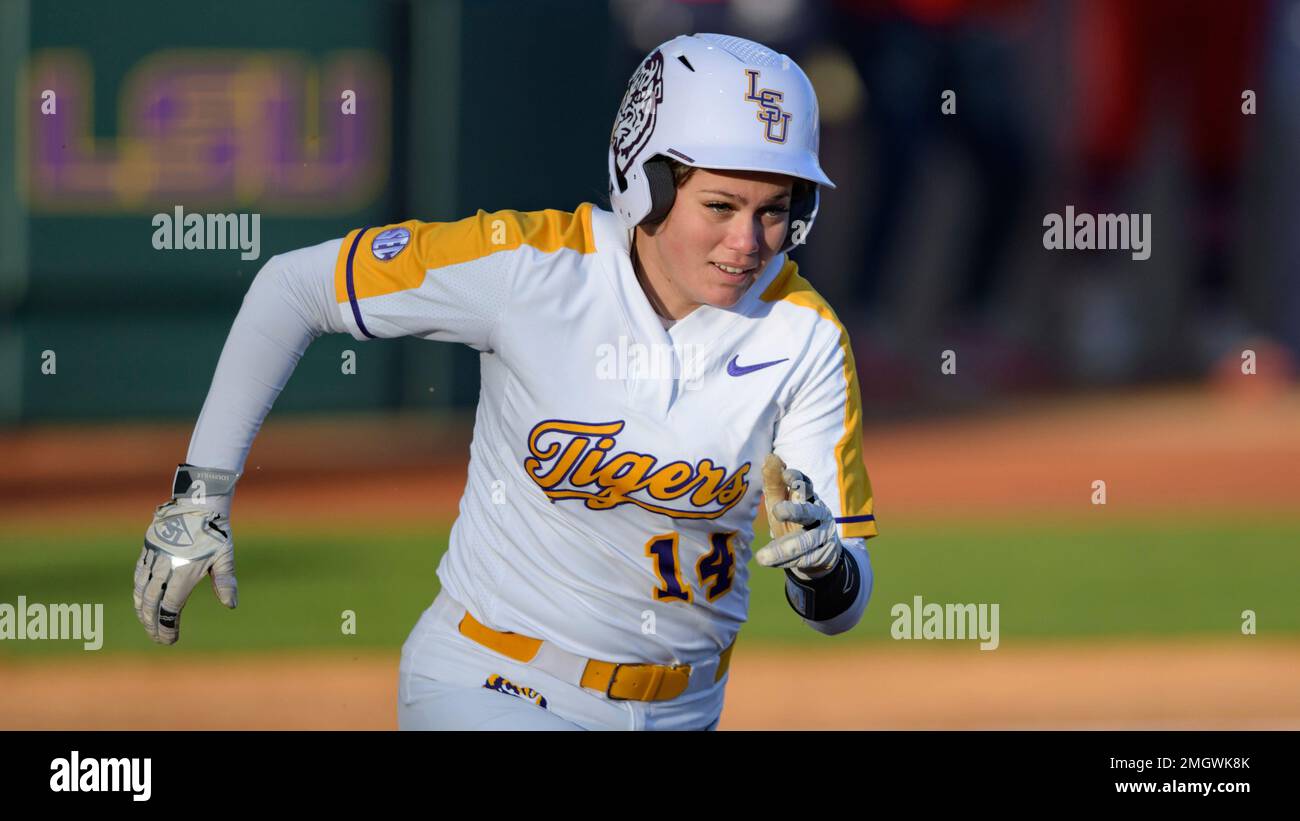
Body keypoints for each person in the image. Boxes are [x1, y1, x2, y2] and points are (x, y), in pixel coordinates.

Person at [133, 33, 878, 731]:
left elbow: (838, 611)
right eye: (720, 205)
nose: (747, 241)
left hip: (686, 708)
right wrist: (202, 492)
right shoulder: (531, 266)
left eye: (775, 211)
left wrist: (824, 567)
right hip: (490, 680)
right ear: (644, 181)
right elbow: (292, 287)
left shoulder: (804, 334)